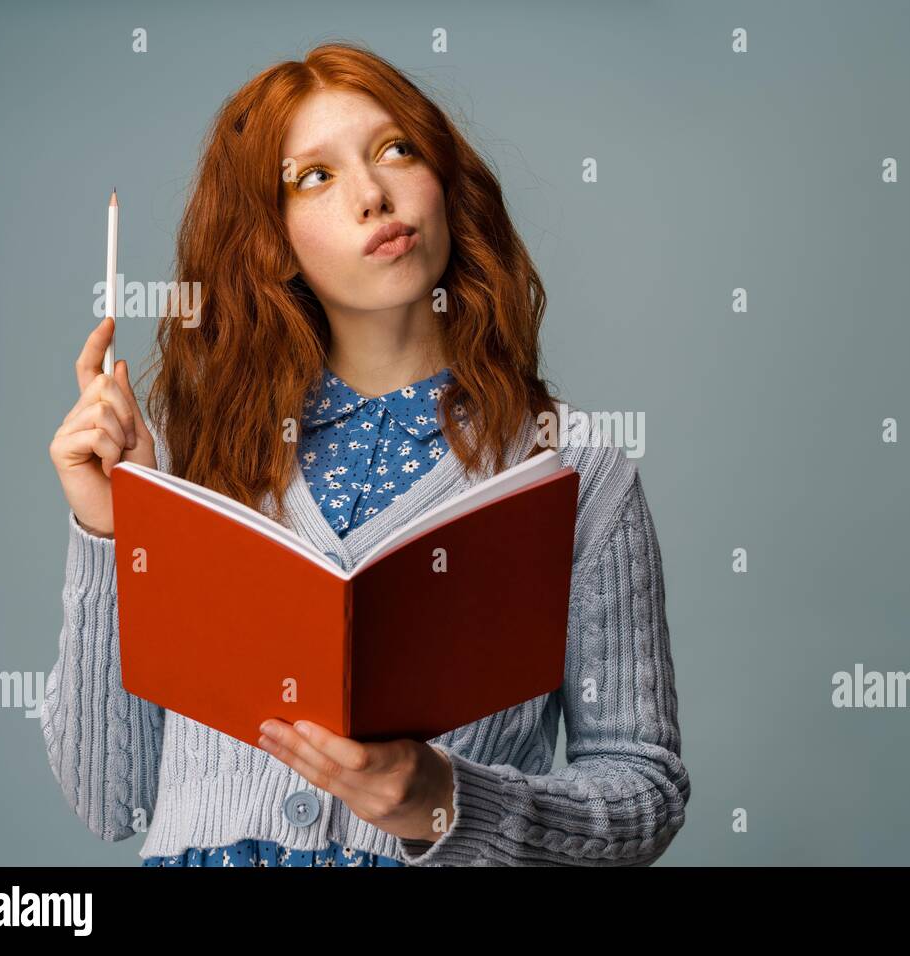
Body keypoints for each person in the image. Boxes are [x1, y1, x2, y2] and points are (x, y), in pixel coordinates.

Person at [42, 41, 689, 866]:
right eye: (314, 176)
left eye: (395, 150)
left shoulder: (572, 464)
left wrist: (444, 800)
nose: (373, 194)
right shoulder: (179, 456)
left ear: (444, 183)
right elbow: (111, 801)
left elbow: (645, 793)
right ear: (270, 240)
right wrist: (108, 530)